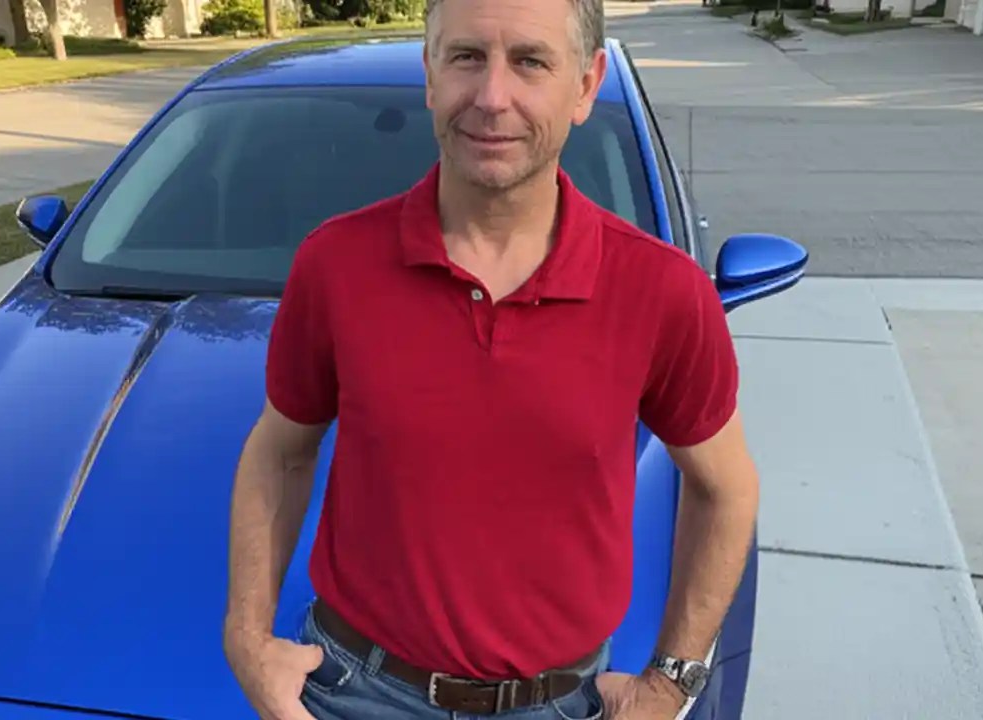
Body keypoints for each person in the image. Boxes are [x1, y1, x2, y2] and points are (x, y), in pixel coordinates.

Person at [222, 0, 762, 717]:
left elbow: (726, 489)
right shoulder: (335, 265)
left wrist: (669, 684)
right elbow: (280, 452)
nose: (492, 97)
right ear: (430, 73)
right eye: (466, 57)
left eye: (531, 61)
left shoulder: (662, 292)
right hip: (356, 693)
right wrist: (246, 639)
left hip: (558, 703)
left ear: (585, 84)